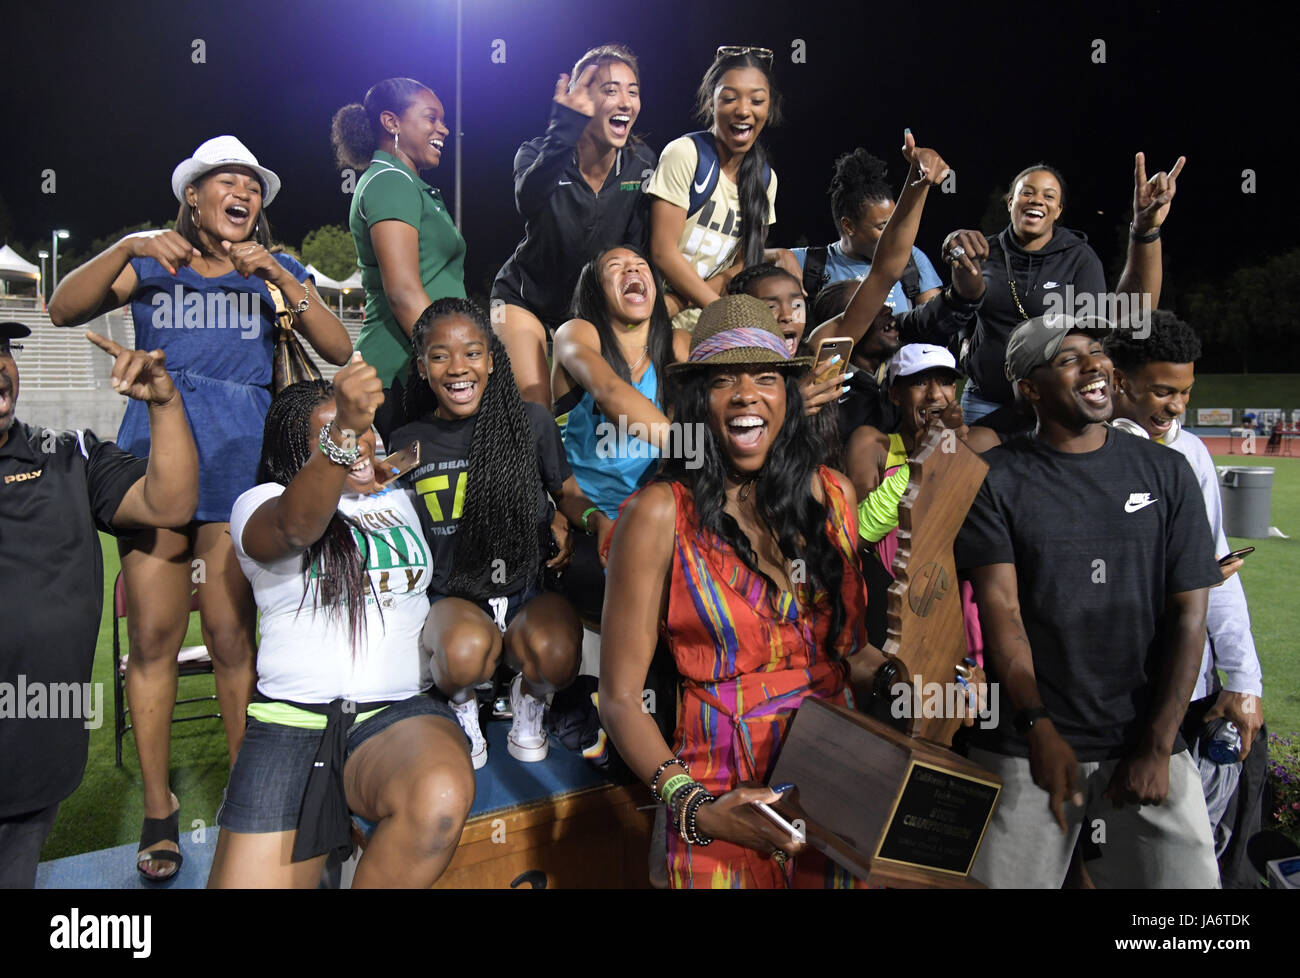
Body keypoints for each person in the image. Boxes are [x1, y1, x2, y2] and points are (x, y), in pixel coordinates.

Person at [48, 136, 352, 880]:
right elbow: (61, 309)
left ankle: (254, 804)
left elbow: (338, 346)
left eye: (253, 182)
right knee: (151, 638)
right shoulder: (154, 262)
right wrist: (125, 242)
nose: (244, 191)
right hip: (159, 460)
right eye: (229, 179)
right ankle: (159, 810)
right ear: (194, 195)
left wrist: (278, 272)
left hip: (239, 468)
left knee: (228, 636)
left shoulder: (274, 274)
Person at [598, 294, 897, 888]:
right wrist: (696, 810)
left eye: (765, 377)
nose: (746, 395)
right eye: (722, 382)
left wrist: (903, 683)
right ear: (694, 402)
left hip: (832, 797)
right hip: (721, 798)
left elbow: (854, 656)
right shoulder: (660, 515)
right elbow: (620, 699)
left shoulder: (833, 496)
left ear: (788, 395)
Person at [956, 314, 1223, 888]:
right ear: (1029, 387)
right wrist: (1041, 731)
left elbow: (1190, 615)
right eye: (1070, 358)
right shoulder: (995, 478)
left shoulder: (1168, 472)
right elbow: (1002, 615)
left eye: (1097, 352)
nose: (1095, 364)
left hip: (1146, 744)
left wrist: (1156, 745)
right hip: (1026, 746)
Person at [209, 363, 474, 888]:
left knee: (439, 796)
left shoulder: (399, 497)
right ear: (294, 452)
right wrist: (345, 430)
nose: (361, 443)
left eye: (365, 430)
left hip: (396, 715)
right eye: (332, 434)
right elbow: (294, 528)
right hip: (292, 722)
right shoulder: (259, 504)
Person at [0, 322, 198, 888]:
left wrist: (165, 405)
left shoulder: (70, 455)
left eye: (2, 351)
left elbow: (170, 502)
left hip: (34, 768)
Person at [388, 299, 601, 769]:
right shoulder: (407, 441)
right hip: (455, 598)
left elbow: (566, 492)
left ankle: (529, 699)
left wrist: (592, 520)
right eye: (440, 355)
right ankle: (463, 705)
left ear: (490, 359)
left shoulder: (531, 423)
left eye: (472, 352)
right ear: (422, 368)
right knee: (462, 656)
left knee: (560, 653)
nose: (457, 367)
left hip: (525, 589)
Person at [1105, 312, 1267, 887]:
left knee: (1193, 856)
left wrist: (1245, 680)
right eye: (1163, 391)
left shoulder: (1192, 453)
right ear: (1118, 381)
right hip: (1103, 702)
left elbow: (1220, 574)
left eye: (1186, 393)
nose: (1176, 406)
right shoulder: (1075, 450)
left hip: (1186, 696)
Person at [950, 153, 1185, 421]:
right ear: (1011, 201)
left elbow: (1128, 319)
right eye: (1027, 192)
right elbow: (960, 308)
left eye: (1049, 196)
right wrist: (965, 345)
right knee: (976, 462)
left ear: (1058, 210)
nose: (1037, 199)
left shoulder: (1078, 258)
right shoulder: (983, 251)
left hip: (1051, 407)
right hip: (985, 400)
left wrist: (1146, 231)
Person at [492, 45, 658, 407]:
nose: (626, 101)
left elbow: (636, 250)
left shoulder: (641, 163)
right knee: (535, 408)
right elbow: (529, 199)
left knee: (578, 411)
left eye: (633, 91)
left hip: (588, 308)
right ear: (581, 97)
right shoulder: (536, 152)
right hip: (524, 299)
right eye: (610, 90)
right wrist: (563, 131)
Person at [332, 77, 467, 432]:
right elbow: (403, 293)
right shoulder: (390, 180)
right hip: (400, 372)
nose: (444, 128)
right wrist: (457, 358)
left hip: (419, 365)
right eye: (431, 118)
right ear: (392, 123)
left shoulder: (405, 182)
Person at [550, 246, 671, 622]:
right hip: (590, 518)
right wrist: (696, 447)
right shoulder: (578, 332)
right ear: (596, 292)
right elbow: (610, 392)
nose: (632, 270)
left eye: (640, 266)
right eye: (615, 268)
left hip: (657, 517)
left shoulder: (677, 345)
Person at [848, 344, 995, 651]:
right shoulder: (873, 445)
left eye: (944, 382)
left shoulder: (981, 442)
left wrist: (954, 452)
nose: (934, 394)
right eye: (918, 383)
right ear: (894, 394)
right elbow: (860, 533)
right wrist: (927, 455)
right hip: (892, 606)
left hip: (963, 601)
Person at [644, 46, 798, 334]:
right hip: (657, 319)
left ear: (770, 107)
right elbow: (663, 252)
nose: (743, 110)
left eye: (757, 100)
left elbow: (741, 265)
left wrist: (685, 301)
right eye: (729, 98)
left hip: (707, 322)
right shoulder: (685, 154)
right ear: (711, 102)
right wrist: (718, 308)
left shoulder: (766, 180)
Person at [792, 148, 943, 310]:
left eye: (893, 224)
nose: (892, 234)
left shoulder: (912, 258)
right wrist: (777, 255)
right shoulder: (805, 263)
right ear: (849, 226)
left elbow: (933, 326)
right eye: (882, 226)